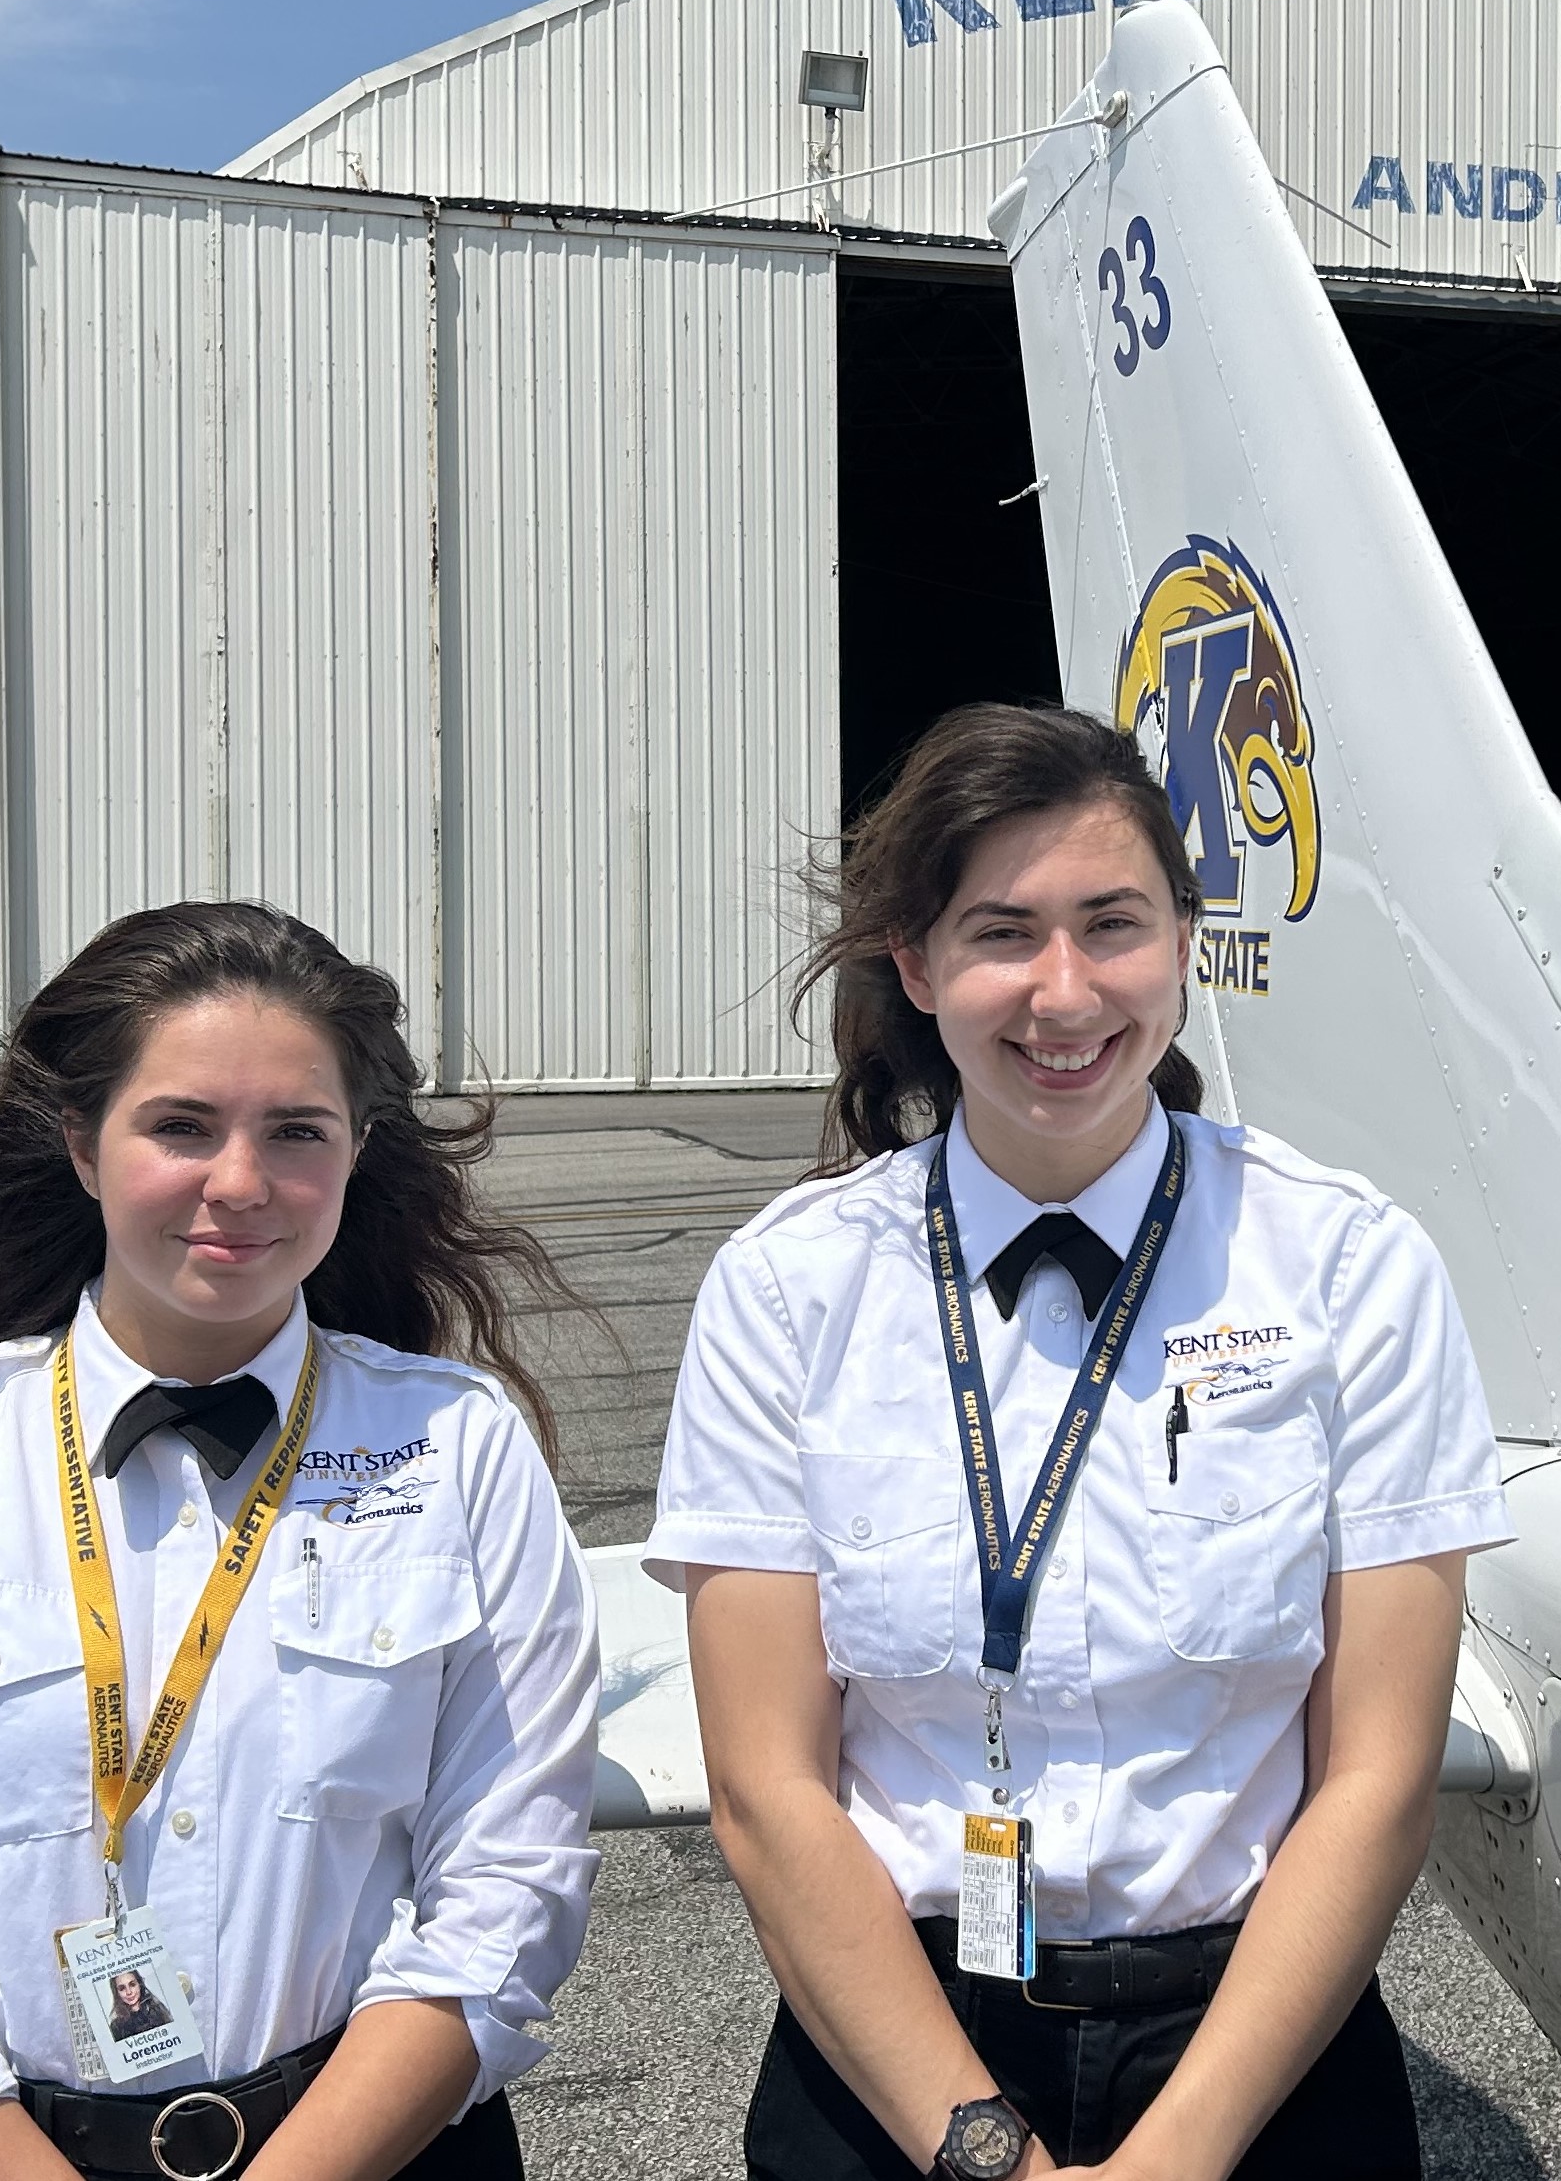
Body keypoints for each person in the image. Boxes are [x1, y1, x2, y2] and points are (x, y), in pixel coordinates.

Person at [646, 705, 1511, 2181]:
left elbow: (1376, 1772)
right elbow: (766, 1787)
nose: (1063, 992)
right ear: (916, 967)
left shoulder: (1346, 1267)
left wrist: (1181, 2153)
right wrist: (984, 2146)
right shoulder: (793, 1287)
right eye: (1001, 932)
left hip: (1257, 2048)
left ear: (1186, 937)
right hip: (897, 2042)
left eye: (1112, 922)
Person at [0, 902, 599, 2181]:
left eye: (296, 1131)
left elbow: (508, 1888)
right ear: (83, 1144)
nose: (239, 1183)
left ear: (356, 1151)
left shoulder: (458, 1449)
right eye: (181, 1125)